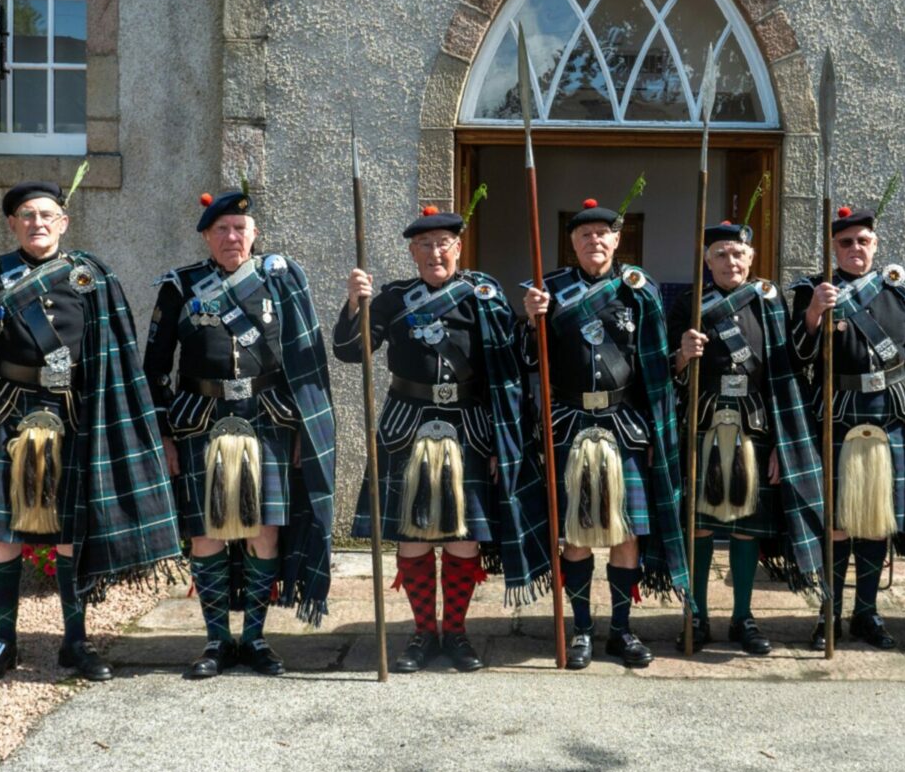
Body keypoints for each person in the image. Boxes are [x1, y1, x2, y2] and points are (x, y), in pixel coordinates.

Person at [0, 178, 178, 685]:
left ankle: (75, 642)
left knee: (71, 535)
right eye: (27, 216)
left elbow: (118, 350)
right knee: (4, 532)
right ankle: (4, 642)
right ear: (13, 224)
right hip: (7, 412)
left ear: (64, 222)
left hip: (76, 415)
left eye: (47, 215)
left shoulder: (90, 274)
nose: (37, 224)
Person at [335, 204, 547, 673]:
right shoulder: (391, 298)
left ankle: (455, 632)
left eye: (444, 244)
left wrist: (533, 320)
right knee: (412, 537)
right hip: (407, 423)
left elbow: (520, 362)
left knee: (464, 538)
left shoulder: (485, 296)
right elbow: (351, 353)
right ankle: (420, 634)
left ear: (458, 247)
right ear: (413, 251)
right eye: (425, 245)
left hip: (469, 423)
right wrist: (355, 304)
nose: (436, 253)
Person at [144, 189, 339, 679]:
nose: (232, 237)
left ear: (253, 235)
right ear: (207, 236)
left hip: (268, 418)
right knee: (205, 532)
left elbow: (305, 359)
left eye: (240, 229)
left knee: (264, 532)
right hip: (199, 420)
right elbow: (153, 369)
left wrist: (304, 430)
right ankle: (215, 640)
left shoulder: (280, 283)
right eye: (222, 230)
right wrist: (164, 434)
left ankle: (253, 637)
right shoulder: (180, 287)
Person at [521, 195, 689, 670]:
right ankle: (580, 630)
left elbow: (655, 366)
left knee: (627, 534)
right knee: (574, 534)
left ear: (618, 240)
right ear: (572, 244)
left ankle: (620, 629)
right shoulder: (549, 290)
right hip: (569, 422)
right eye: (584, 235)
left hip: (625, 426)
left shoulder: (639, 289)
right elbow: (529, 361)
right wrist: (532, 319)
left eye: (603, 234)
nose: (594, 241)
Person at [790, 206, 905, 652]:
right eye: (845, 243)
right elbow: (798, 359)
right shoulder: (813, 289)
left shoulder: (902, 289)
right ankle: (831, 613)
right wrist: (812, 315)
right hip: (839, 416)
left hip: (893, 416)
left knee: (877, 521)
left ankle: (867, 612)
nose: (855, 249)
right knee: (839, 522)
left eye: (863, 241)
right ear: (833, 247)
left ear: (875, 244)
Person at [668, 220, 826, 654]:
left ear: (751, 259)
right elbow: (663, 371)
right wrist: (683, 354)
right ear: (706, 260)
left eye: (738, 254)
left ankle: (742, 617)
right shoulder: (688, 305)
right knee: (698, 528)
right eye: (720, 254)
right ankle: (695, 614)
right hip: (701, 425)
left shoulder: (769, 304)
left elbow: (788, 372)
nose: (730, 261)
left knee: (745, 529)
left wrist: (781, 444)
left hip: (755, 427)